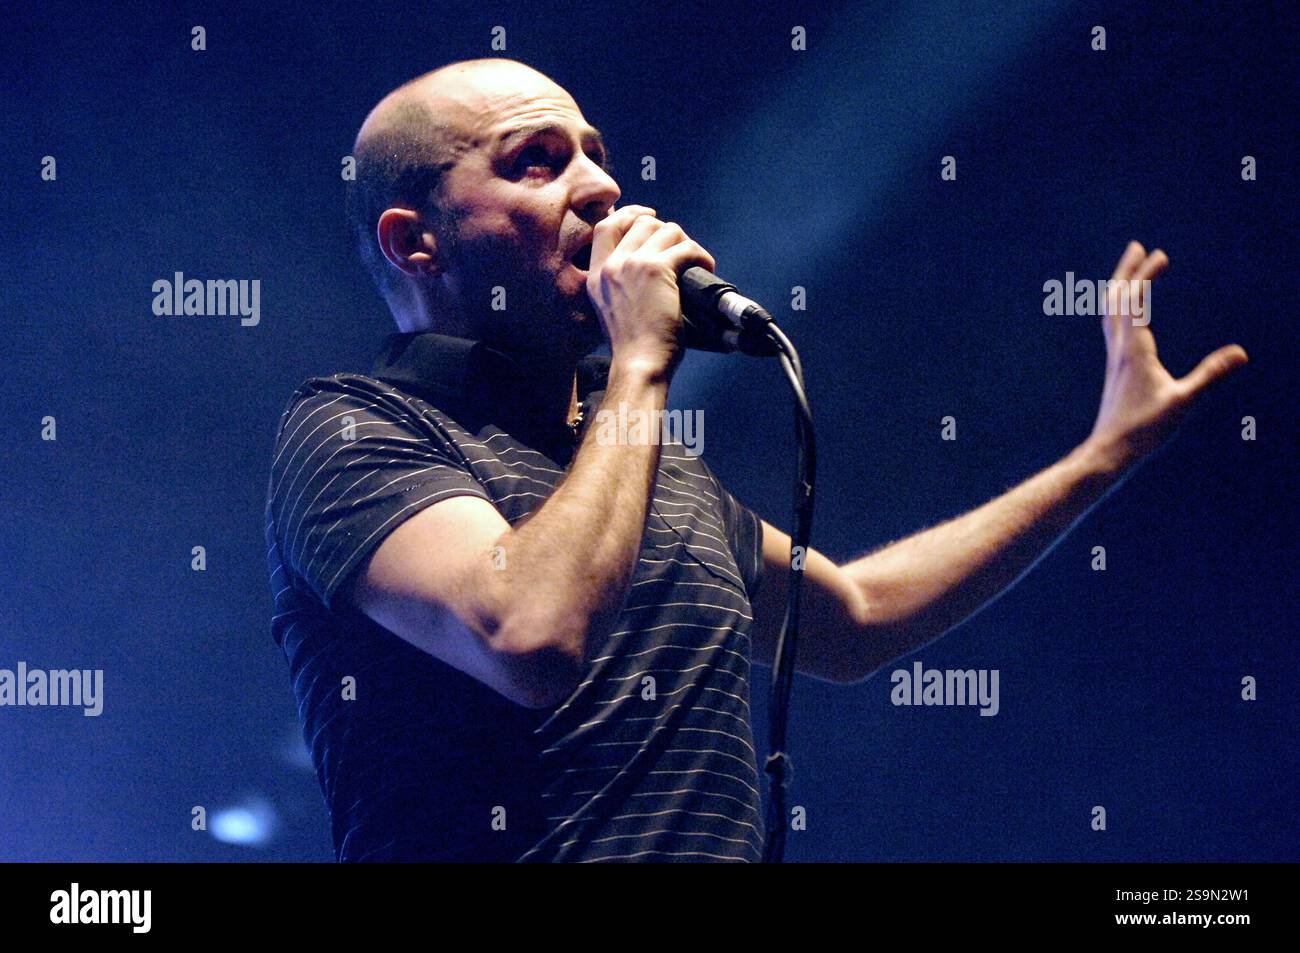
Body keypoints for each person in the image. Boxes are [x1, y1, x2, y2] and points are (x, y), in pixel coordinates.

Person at [264, 57, 1247, 862]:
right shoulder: (355, 427)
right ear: (415, 241)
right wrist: (642, 365)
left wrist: (1105, 453)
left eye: (597, 156)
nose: (601, 187)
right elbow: (525, 633)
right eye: (535, 160)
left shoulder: (640, 465)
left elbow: (855, 618)